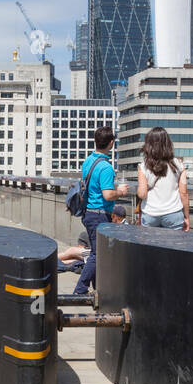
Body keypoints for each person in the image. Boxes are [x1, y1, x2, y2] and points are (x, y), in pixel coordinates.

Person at [73, 126, 127, 296]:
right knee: (98, 254)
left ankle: (98, 289)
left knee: (98, 253)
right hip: (100, 215)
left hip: (88, 213)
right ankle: (80, 290)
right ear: (111, 143)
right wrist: (121, 192)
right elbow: (108, 194)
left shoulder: (88, 161)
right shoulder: (106, 167)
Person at [137, 126, 190, 231]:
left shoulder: (143, 166)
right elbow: (183, 193)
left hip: (150, 213)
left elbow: (142, 194)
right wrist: (187, 217)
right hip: (173, 213)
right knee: (173, 247)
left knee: (150, 247)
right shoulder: (179, 164)